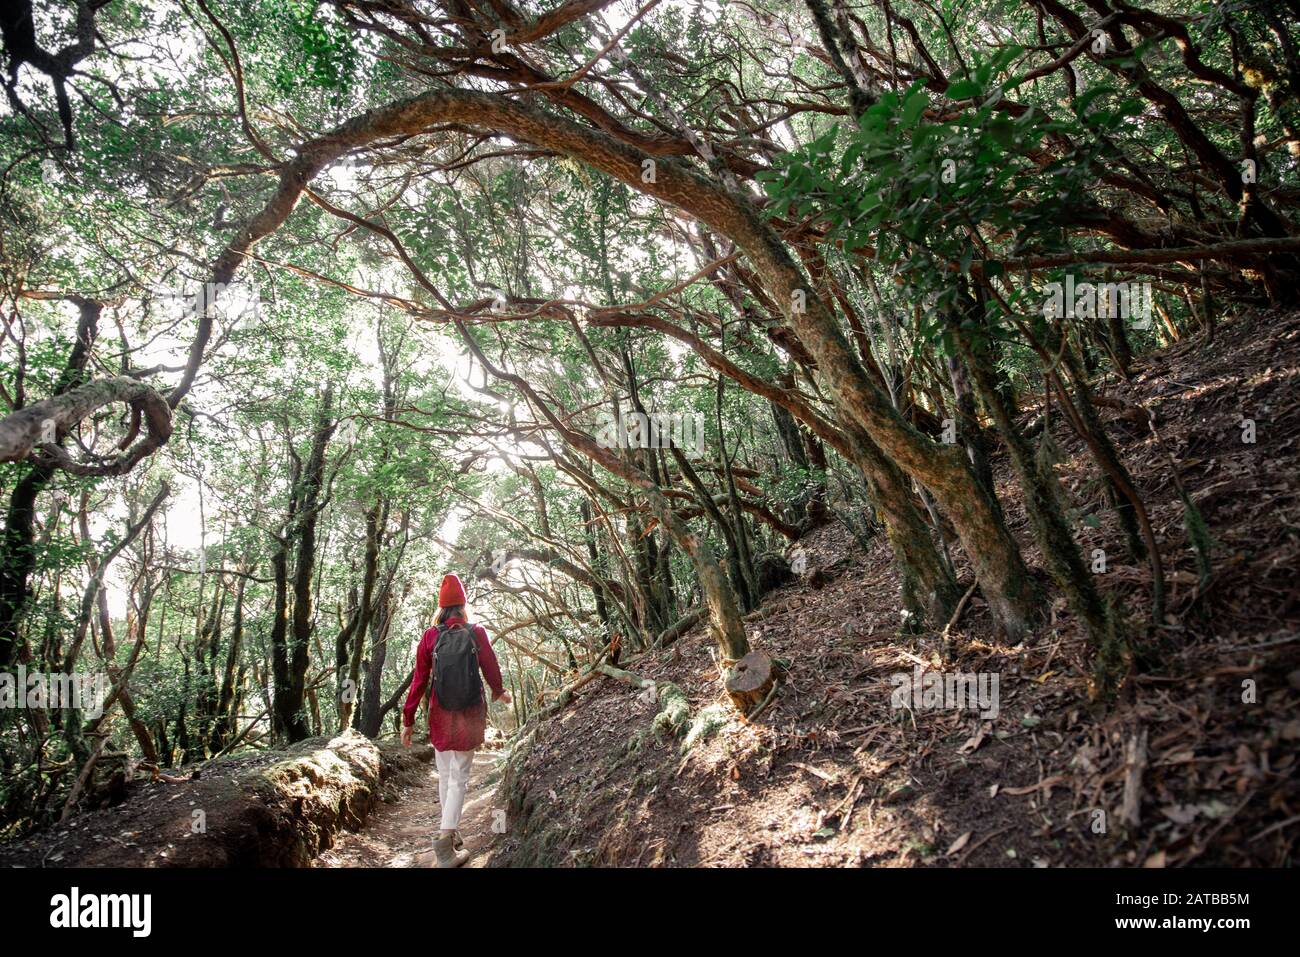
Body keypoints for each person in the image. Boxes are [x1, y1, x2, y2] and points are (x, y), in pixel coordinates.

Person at [401, 573, 510, 868]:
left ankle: (450, 829)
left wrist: (408, 718)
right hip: (470, 712)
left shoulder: (430, 636)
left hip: (440, 711)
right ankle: (445, 847)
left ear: (441, 607)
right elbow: (490, 665)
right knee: (460, 777)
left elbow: (420, 679)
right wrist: (500, 692)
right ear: (463, 605)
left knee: (446, 774)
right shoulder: (477, 632)